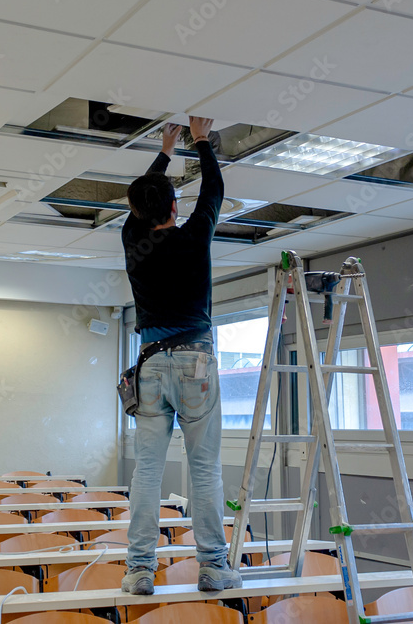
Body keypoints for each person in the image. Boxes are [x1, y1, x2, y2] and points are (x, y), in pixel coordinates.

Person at [120, 117, 241, 594]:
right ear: (174, 206)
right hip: (195, 361)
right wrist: (201, 141)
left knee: (147, 470)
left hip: (150, 365)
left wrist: (166, 152)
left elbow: (141, 204)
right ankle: (213, 566)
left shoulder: (134, 241)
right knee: (205, 468)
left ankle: (139, 571)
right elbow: (214, 187)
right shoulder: (195, 238)